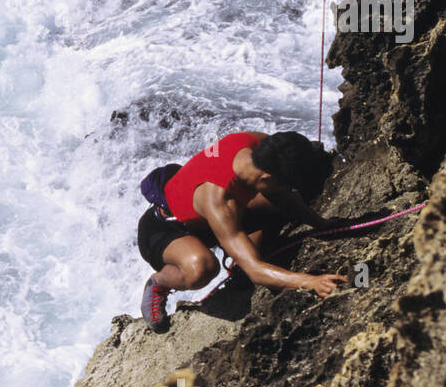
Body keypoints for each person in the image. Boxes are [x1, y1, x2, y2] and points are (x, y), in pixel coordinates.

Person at [138, 131, 346, 333]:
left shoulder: (255, 142)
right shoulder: (219, 200)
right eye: (284, 184)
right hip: (165, 230)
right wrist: (311, 281)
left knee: (279, 204)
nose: (288, 188)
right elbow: (256, 271)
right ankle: (159, 283)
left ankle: (240, 256)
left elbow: (283, 193)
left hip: (206, 216)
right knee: (202, 268)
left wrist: (321, 224)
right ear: (265, 176)